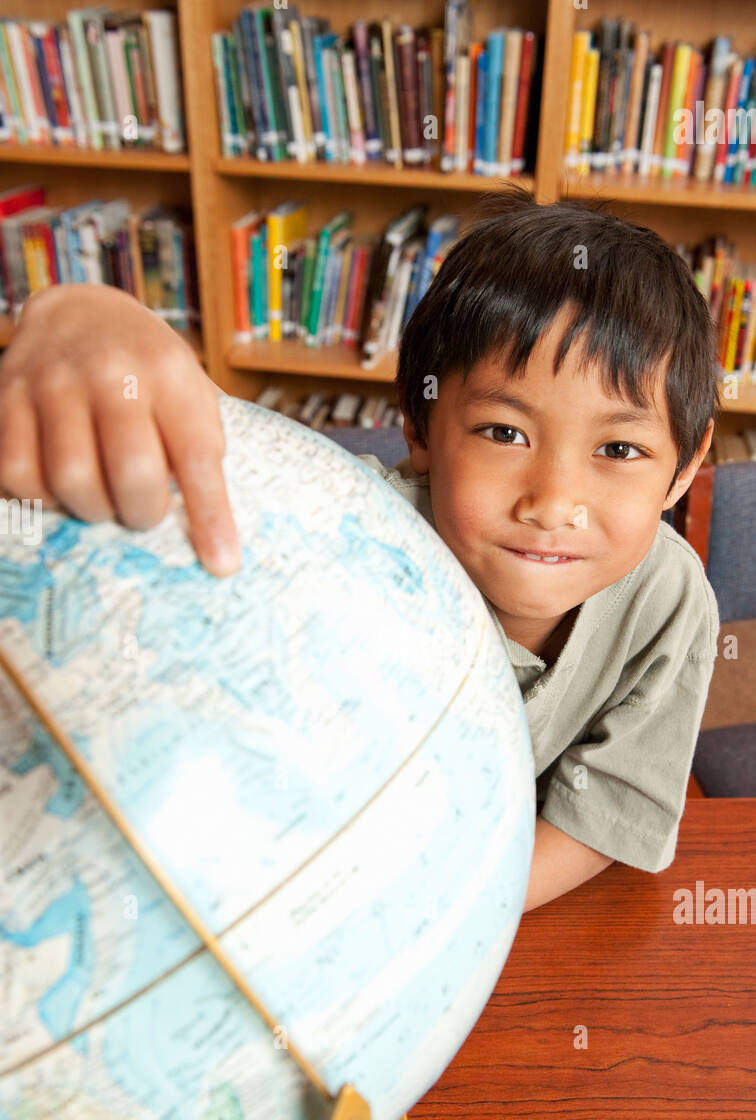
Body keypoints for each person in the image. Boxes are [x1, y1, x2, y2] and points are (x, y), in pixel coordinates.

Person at [0, 188, 719, 913]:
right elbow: (199, 447)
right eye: (504, 433)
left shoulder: (668, 597)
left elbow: (607, 811)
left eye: (619, 448)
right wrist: (84, 316)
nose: (553, 503)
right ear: (418, 426)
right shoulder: (342, 528)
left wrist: (441, 915)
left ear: (684, 468)